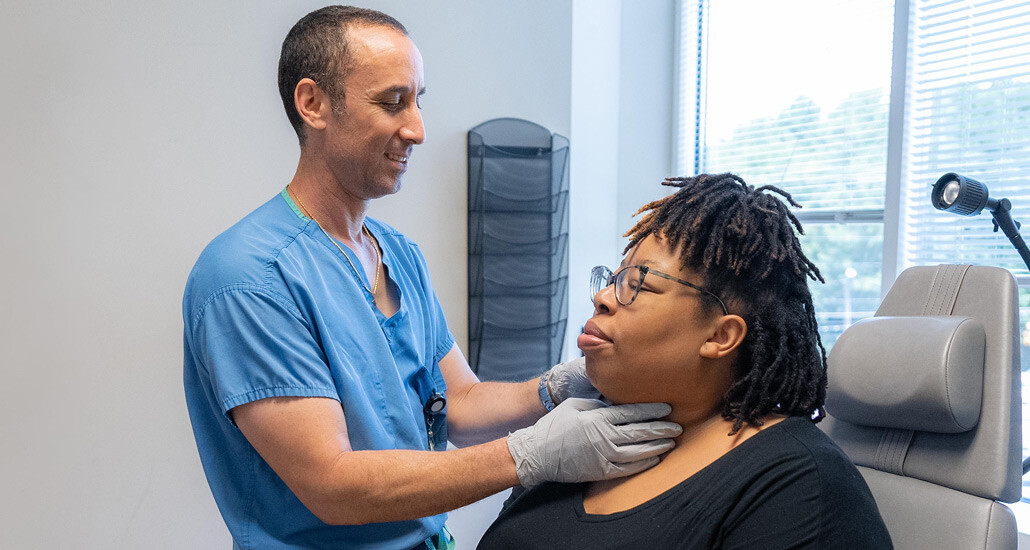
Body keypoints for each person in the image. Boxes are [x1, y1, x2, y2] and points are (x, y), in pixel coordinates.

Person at [182, 6, 680, 549]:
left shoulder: (397, 254)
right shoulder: (250, 278)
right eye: (392, 102)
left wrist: (555, 388)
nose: (417, 129)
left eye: (418, 100)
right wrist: (530, 454)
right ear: (313, 104)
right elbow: (333, 484)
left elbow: (459, 404)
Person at [479, 173, 893, 549]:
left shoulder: (799, 487)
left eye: (638, 284)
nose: (603, 297)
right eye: (614, 279)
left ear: (719, 336)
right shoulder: (577, 443)